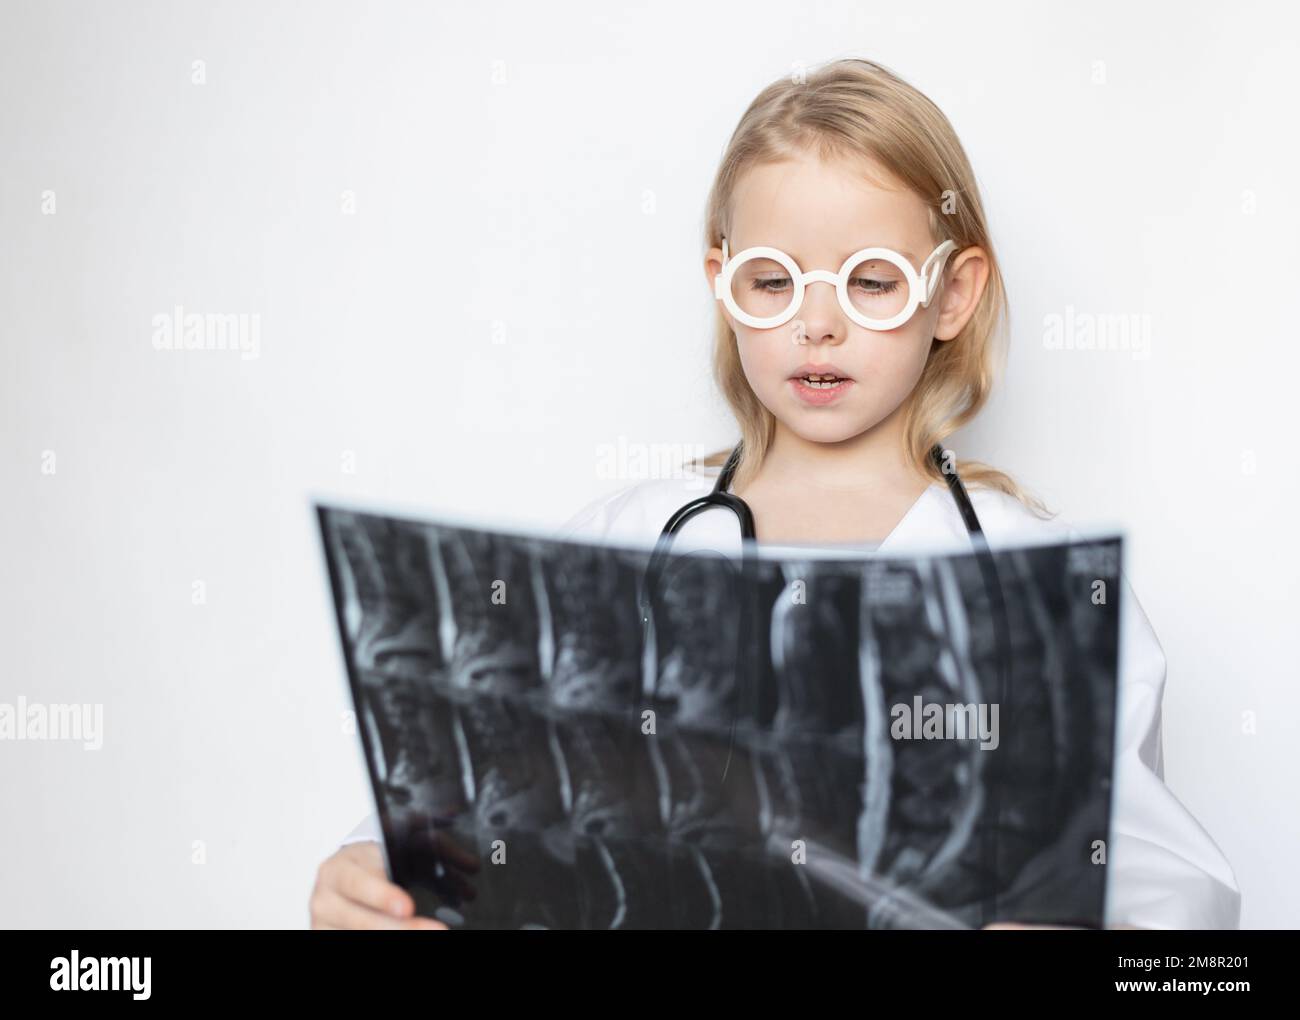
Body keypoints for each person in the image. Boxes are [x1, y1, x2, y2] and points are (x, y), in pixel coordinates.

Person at [309, 57, 1240, 930]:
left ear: (952, 294)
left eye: (872, 282)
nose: (819, 324)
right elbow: (465, 797)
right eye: (775, 282)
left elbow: (1177, 898)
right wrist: (371, 873)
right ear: (725, 287)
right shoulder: (623, 546)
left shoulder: (1040, 586)